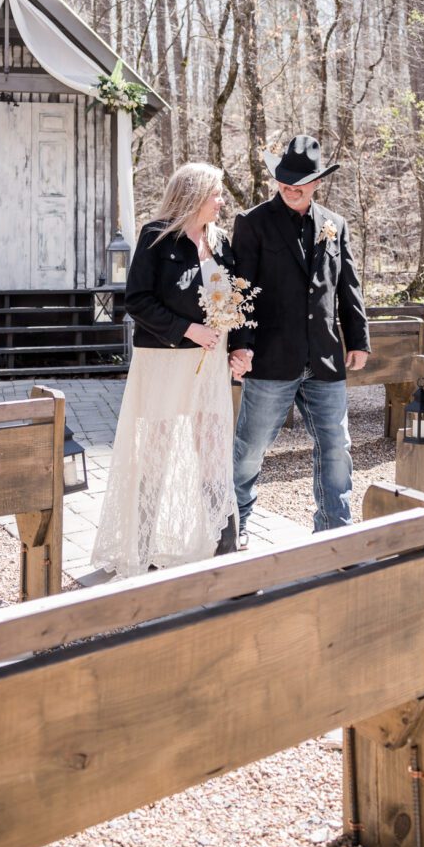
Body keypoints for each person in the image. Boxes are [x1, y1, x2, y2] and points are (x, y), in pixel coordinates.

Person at [91, 162, 251, 578]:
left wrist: (240, 348)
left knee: (214, 450)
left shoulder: (221, 242)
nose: (221, 201)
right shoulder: (156, 237)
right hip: (163, 361)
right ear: (194, 195)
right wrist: (187, 330)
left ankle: (223, 544)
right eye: (215, 194)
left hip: (209, 365)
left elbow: (236, 303)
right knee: (156, 453)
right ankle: (141, 546)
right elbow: (138, 301)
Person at [231, 135, 370, 545]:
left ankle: (334, 531)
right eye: (284, 180)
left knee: (336, 448)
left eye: (300, 181)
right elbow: (241, 290)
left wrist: (358, 338)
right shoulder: (252, 222)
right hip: (270, 358)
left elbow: (348, 286)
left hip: (325, 358)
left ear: (317, 182)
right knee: (250, 449)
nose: (290, 187)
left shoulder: (335, 224)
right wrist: (241, 344)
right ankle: (234, 523)